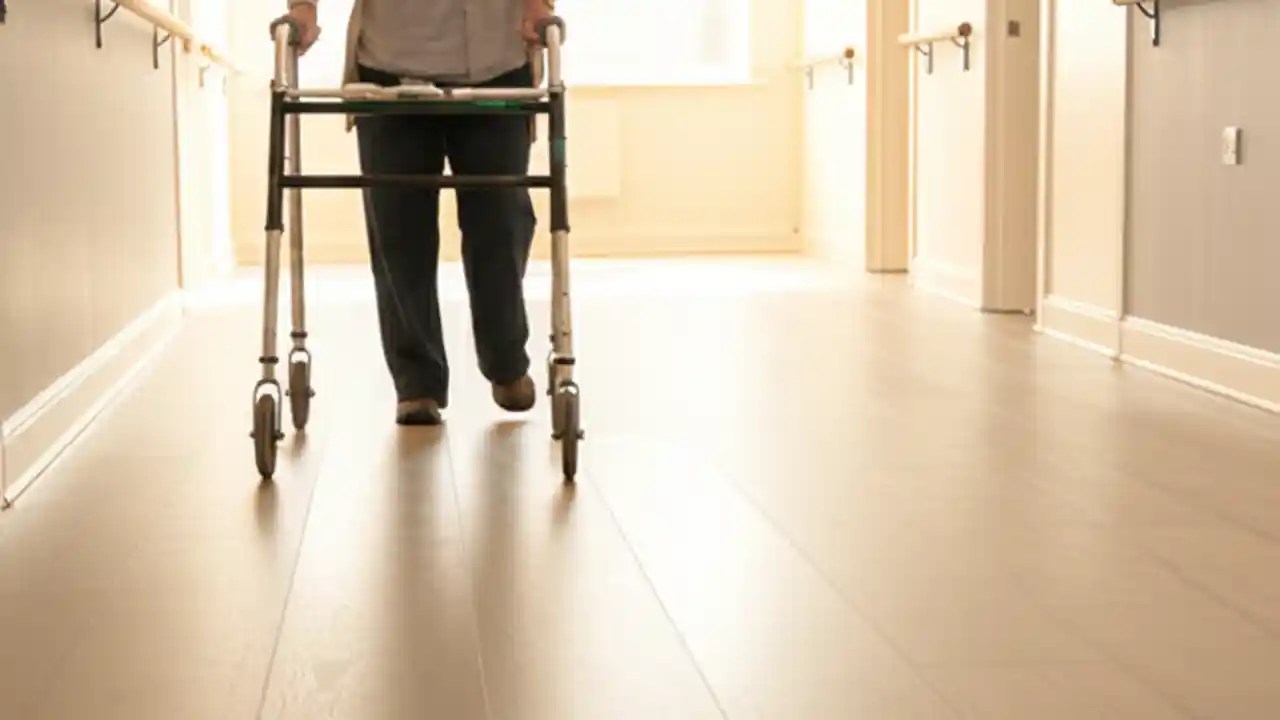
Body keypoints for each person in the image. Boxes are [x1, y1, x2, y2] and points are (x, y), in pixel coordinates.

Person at [281, 0, 554, 426]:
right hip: (391, 62)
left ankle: (505, 358)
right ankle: (416, 382)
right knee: (399, 226)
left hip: (497, 60)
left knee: (501, 220)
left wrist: (539, 4)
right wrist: (303, 8)